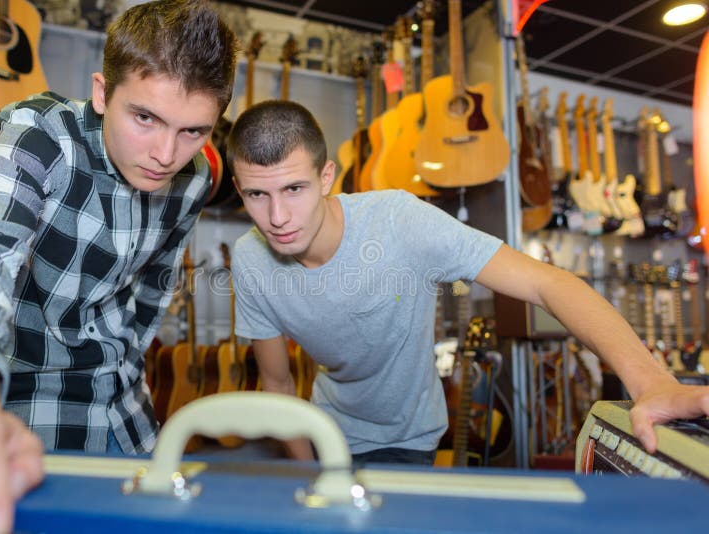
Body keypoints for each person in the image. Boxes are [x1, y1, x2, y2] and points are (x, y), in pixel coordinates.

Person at [226, 99, 709, 465]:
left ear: (326, 176)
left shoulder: (398, 222)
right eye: (256, 195)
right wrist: (311, 473)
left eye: (294, 189)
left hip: (408, 437)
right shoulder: (250, 258)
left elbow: (548, 284)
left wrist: (650, 382)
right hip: (323, 431)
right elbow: (277, 380)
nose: (278, 217)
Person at [0, 1, 238, 531]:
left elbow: (153, 287)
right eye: (145, 117)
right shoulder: (39, 132)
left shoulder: (196, 178)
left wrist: (129, 359)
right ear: (103, 93)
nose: (165, 153)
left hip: (124, 410)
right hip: (16, 400)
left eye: (193, 131)